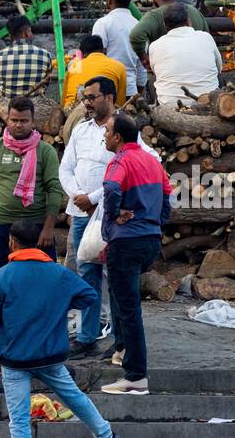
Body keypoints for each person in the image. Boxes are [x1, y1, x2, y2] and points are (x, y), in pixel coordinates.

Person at [0, 219, 125, 438]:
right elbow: (89, 296)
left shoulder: (2, 276)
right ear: (39, 242)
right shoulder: (58, 274)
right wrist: (60, 305)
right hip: (50, 356)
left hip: (13, 358)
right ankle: (108, 436)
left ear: (12, 242)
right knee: (74, 397)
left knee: (19, 419)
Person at [58, 76, 159, 359]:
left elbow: (140, 166)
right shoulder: (81, 129)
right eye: (84, 98)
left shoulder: (125, 129)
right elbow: (65, 168)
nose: (86, 103)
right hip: (81, 215)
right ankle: (87, 336)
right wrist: (78, 195)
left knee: (116, 277)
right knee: (86, 274)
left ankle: (120, 341)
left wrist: (93, 199)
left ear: (110, 98)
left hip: (111, 217)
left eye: (92, 97)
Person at [99, 112, 172, 396]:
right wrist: (156, 220)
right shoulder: (153, 161)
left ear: (118, 137)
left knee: (129, 310)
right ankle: (122, 352)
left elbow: (112, 187)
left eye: (106, 131)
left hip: (126, 242)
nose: (103, 135)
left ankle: (136, 376)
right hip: (149, 240)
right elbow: (167, 194)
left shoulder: (120, 160)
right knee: (120, 298)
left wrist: (112, 218)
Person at [0, 96, 65, 267]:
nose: (18, 124)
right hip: (2, 224)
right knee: (7, 273)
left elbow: (53, 188)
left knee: (42, 274)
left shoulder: (45, 151)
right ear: (7, 119)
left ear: (32, 121)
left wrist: (48, 228)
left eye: (24, 120)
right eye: (14, 120)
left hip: (36, 225)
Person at [128, 0, 210, 68]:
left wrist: (144, 58)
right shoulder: (195, 12)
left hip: (168, 71)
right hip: (198, 70)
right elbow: (207, 39)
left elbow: (136, 35)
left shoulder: (154, 15)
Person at [147, 1, 222, 106]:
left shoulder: (155, 45)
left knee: (152, 79)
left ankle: (157, 107)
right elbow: (219, 68)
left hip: (170, 107)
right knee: (218, 77)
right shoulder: (206, 37)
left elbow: (157, 72)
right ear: (188, 20)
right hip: (208, 102)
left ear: (165, 25)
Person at [91, 0, 145, 99]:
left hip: (106, 92)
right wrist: (139, 92)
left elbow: (95, 58)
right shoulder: (138, 25)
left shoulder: (103, 23)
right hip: (130, 91)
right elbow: (142, 65)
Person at [0, 15, 54, 98]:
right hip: (36, 106)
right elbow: (46, 82)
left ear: (10, 35)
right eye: (30, 31)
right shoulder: (45, 55)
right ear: (26, 33)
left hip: (9, 107)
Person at [63, 35, 128, 107]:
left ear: (82, 53)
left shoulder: (74, 66)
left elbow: (64, 99)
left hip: (72, 110)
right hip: (102, 110)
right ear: (103, 50)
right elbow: (120, 102)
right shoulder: (119, 66)